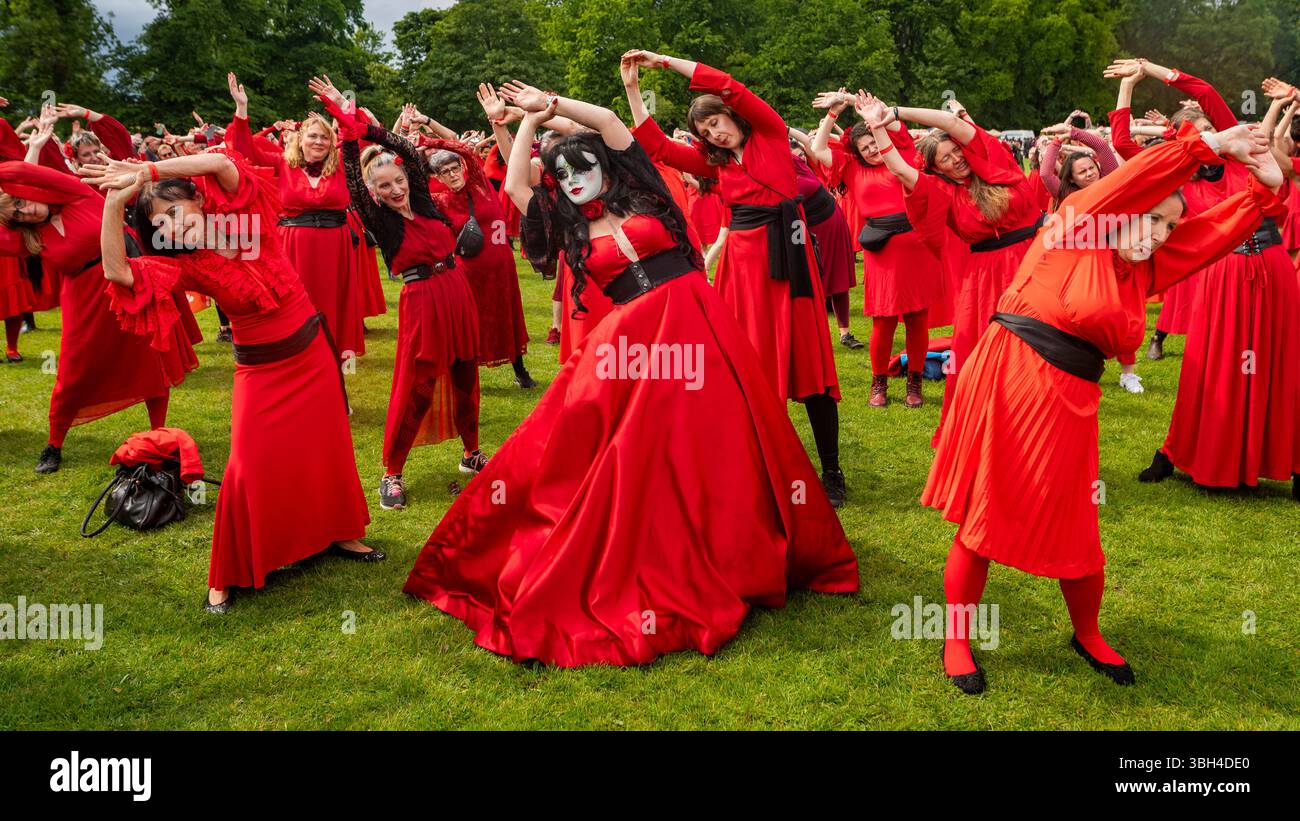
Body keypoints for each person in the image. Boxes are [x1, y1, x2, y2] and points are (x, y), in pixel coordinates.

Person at [404, 84, 858, 667]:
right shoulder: (568, 223)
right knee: (606, 444)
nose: (573, 178)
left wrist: (556, 105)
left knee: (720, 434)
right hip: (631, 340)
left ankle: (733, 546)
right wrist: (524, 126)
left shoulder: (643, 192)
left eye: (582, 167)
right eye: (563, 173)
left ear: (604, 166)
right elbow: (517, 186)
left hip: (694, 318)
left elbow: (611, 121)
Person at [914, 109, 1286, 693]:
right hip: (1011, 373)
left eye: (1168, 226)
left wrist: (1266, 186)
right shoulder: (1074, 225)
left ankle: (1086, 632)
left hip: (1073, 398)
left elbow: (1212, 236)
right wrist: (1205, 144)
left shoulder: (1143, 268)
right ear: (1125, 212)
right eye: (1152, 220)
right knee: (986, 510)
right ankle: (957, 638)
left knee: (1077, 523)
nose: (1159, 234)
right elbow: (1126, 183)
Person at [83, 147, 380, 614]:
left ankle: (339, 533)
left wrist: (150, 170)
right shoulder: (181, 264)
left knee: (326, 445)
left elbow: (221, 163)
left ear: (198, 202)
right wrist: (116, 200)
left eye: (178, 210)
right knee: (246, 465)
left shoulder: (243, 213)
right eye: (163, 221)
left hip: (310, 352)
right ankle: (230, 571)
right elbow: (116, 271)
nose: (175, 223)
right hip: (261, 369)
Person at [621, 49, 847, 507]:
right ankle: (762, 464)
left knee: (810, 368)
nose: (714, 132)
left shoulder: (770, 134)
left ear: (732, 115)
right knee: (751, 372)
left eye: (717, 122)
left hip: (791, 256)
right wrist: (632, 90)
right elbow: (660, 149)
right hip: (743, 269)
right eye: (705, 131)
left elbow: (729, 83)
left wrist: (663, 63)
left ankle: (832, 470)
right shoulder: (716, 165)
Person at [1106, 60, 1300, 500]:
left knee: (1280, 363)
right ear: (1184, 140)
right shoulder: (1177, 179)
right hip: (1221, 275)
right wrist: (1129, 87)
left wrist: (1152, 68)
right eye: (1197, 130)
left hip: (1271, 265)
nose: (1211, 132)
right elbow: (1120, 143)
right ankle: (1184, 453)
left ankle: (1290, 459)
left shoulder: (1244, 158)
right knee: (1210, 369)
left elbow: (1208, 90)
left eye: (1210, 125)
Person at [0, 122, 198, 475]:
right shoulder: (28, 239)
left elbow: (23, 171)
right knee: (73, 371)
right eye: (15, 214)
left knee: (148, 356)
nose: (24, 210)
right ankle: (54, 443)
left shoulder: (74, 193)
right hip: (84, 297)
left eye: (21, 201)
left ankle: (157, 433)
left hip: (129, 278)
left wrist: (18, 163)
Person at [329, 97, 488, 511]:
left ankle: (471, 454)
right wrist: (349, 136)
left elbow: (409, 153)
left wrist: (371, 131)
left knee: (466, 375)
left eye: (397, 180)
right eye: (384, 186)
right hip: (421, 301)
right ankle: (392, 473)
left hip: (455, 288)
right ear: (374, 192)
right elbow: (350, 180)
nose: (395, 189)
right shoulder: (380, 218)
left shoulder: (420, 196)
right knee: (416, 388)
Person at [865, 93, 1046, 440]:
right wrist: (878, 129)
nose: (955, 159)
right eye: (945, 159)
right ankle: (985, 427)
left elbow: (950, 123)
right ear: (936, 168)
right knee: (977, 351)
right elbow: (901, 170)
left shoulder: (996, 162)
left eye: (956, 151)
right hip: (987, 276)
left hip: (1035, 261)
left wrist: (895, 112)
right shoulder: (943, 194)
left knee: (1038, 346)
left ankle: (1035, 421)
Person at [809, 90, 945, 408]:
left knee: (917, 320)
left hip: (916, 248)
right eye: (865, 147)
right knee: (883, 322)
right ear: (856, 152)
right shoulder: (853, 170)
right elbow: (816, 148)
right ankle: (878, 382)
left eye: (873, 142)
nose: (872, 150)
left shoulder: (903, 157)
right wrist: (833, 113)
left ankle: (914, 383)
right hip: (882, 253)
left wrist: (869, 112)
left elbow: (893, 127)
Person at [223, 73, 367, 361]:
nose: (318, 141)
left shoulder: (340, 165)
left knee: (331, 310)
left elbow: (357, 132)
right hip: (293, 246)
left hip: (334, 248)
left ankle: (335, 379)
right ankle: (297, 370)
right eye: (312, 136)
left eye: (324, 137)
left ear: (331, 142)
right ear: (300, 141)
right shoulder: (282, 165)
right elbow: (242, 151)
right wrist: (241, 109)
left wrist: (340, 102)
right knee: (296, 310)